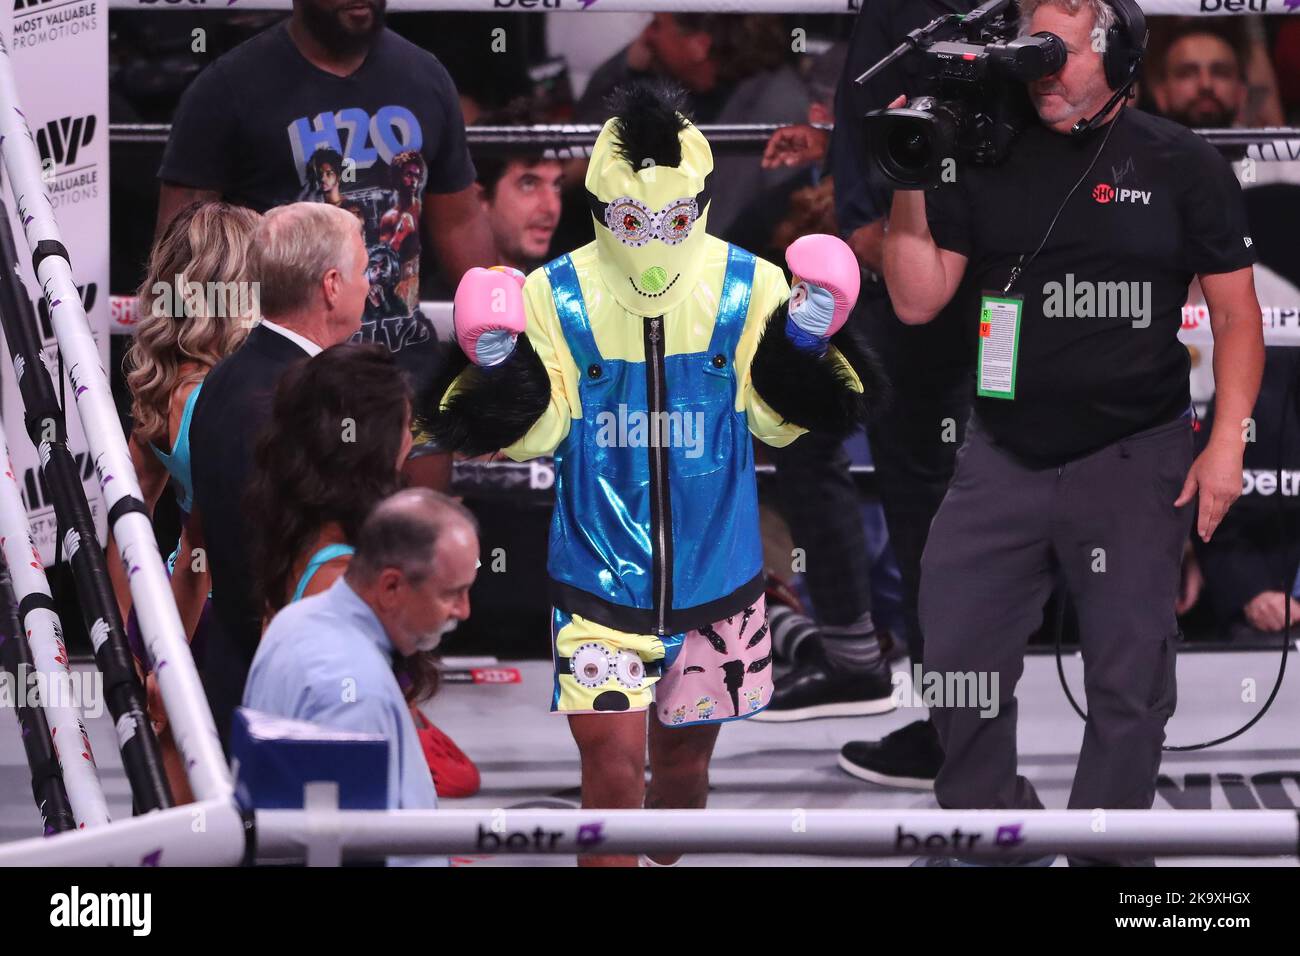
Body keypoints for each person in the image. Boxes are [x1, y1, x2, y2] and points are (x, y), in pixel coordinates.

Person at [424, 81, 882, 867]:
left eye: (670, 219)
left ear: (697, 205)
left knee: (680, 780)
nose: (653, 237)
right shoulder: (554, 293)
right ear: (604, 212)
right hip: (597, 584)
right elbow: (538, 437)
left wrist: (804, 342)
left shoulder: (751, 284)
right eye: (634, 222)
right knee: (609, 780)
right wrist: (499, 368)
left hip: (721, 584)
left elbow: (779, 424)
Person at [882, 0, 1264, 865]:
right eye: (1031, 49)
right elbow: (916, 299)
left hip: (1135, 455)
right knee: (956, 661)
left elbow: (1239, 317)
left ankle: (1105, 855)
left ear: (1120, 49)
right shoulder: (984, 151)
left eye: (1060, 50)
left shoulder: (1181, 163)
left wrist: (1227, 441)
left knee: (1131, 685)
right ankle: (996, 836)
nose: (1042, 68)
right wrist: (909, 172)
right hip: (1000, 453)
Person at [155, 0, 495, 407]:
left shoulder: (425, 77)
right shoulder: (228, 89)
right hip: (281, 383)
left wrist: (506, 343)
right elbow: (178, 256)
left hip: (404, 368)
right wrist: (183, 386)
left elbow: (460, 224)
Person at [821, 0, 983, 788]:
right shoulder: (898, 10)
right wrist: (871, 238)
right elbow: (864, 130)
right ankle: (954, 729)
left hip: (1040, 274)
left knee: (1056, 492)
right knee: (928, 513)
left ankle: (1007, 732)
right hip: (916, 267)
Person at [189, 202, 368, 750]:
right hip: (285, 693)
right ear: (332, 286)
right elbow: (284, 563)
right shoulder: (295, 401)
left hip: (239, 668)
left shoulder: (226, 377)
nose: (371, 286)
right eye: (364, 271)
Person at [107, 200, 262, 802]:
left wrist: (128, 643)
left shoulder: (163, 388)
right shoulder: (226, 404)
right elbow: (202, 538)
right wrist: (161, 660)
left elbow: (125, 523)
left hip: (173, 613)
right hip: (217, 620)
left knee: (181, 821)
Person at [243, 488, 479, 866]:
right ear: (390, 587)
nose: (463, 611)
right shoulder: (354, 692)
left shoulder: (294, 621)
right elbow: (340, 857)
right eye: (453, 593)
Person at [576, 14, 810, 242]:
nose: (646, 35)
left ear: (699, 45)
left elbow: (784, 220)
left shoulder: (779, 106)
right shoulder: (666, 88)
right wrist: (626, 64)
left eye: (656, 25)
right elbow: (585, 132)